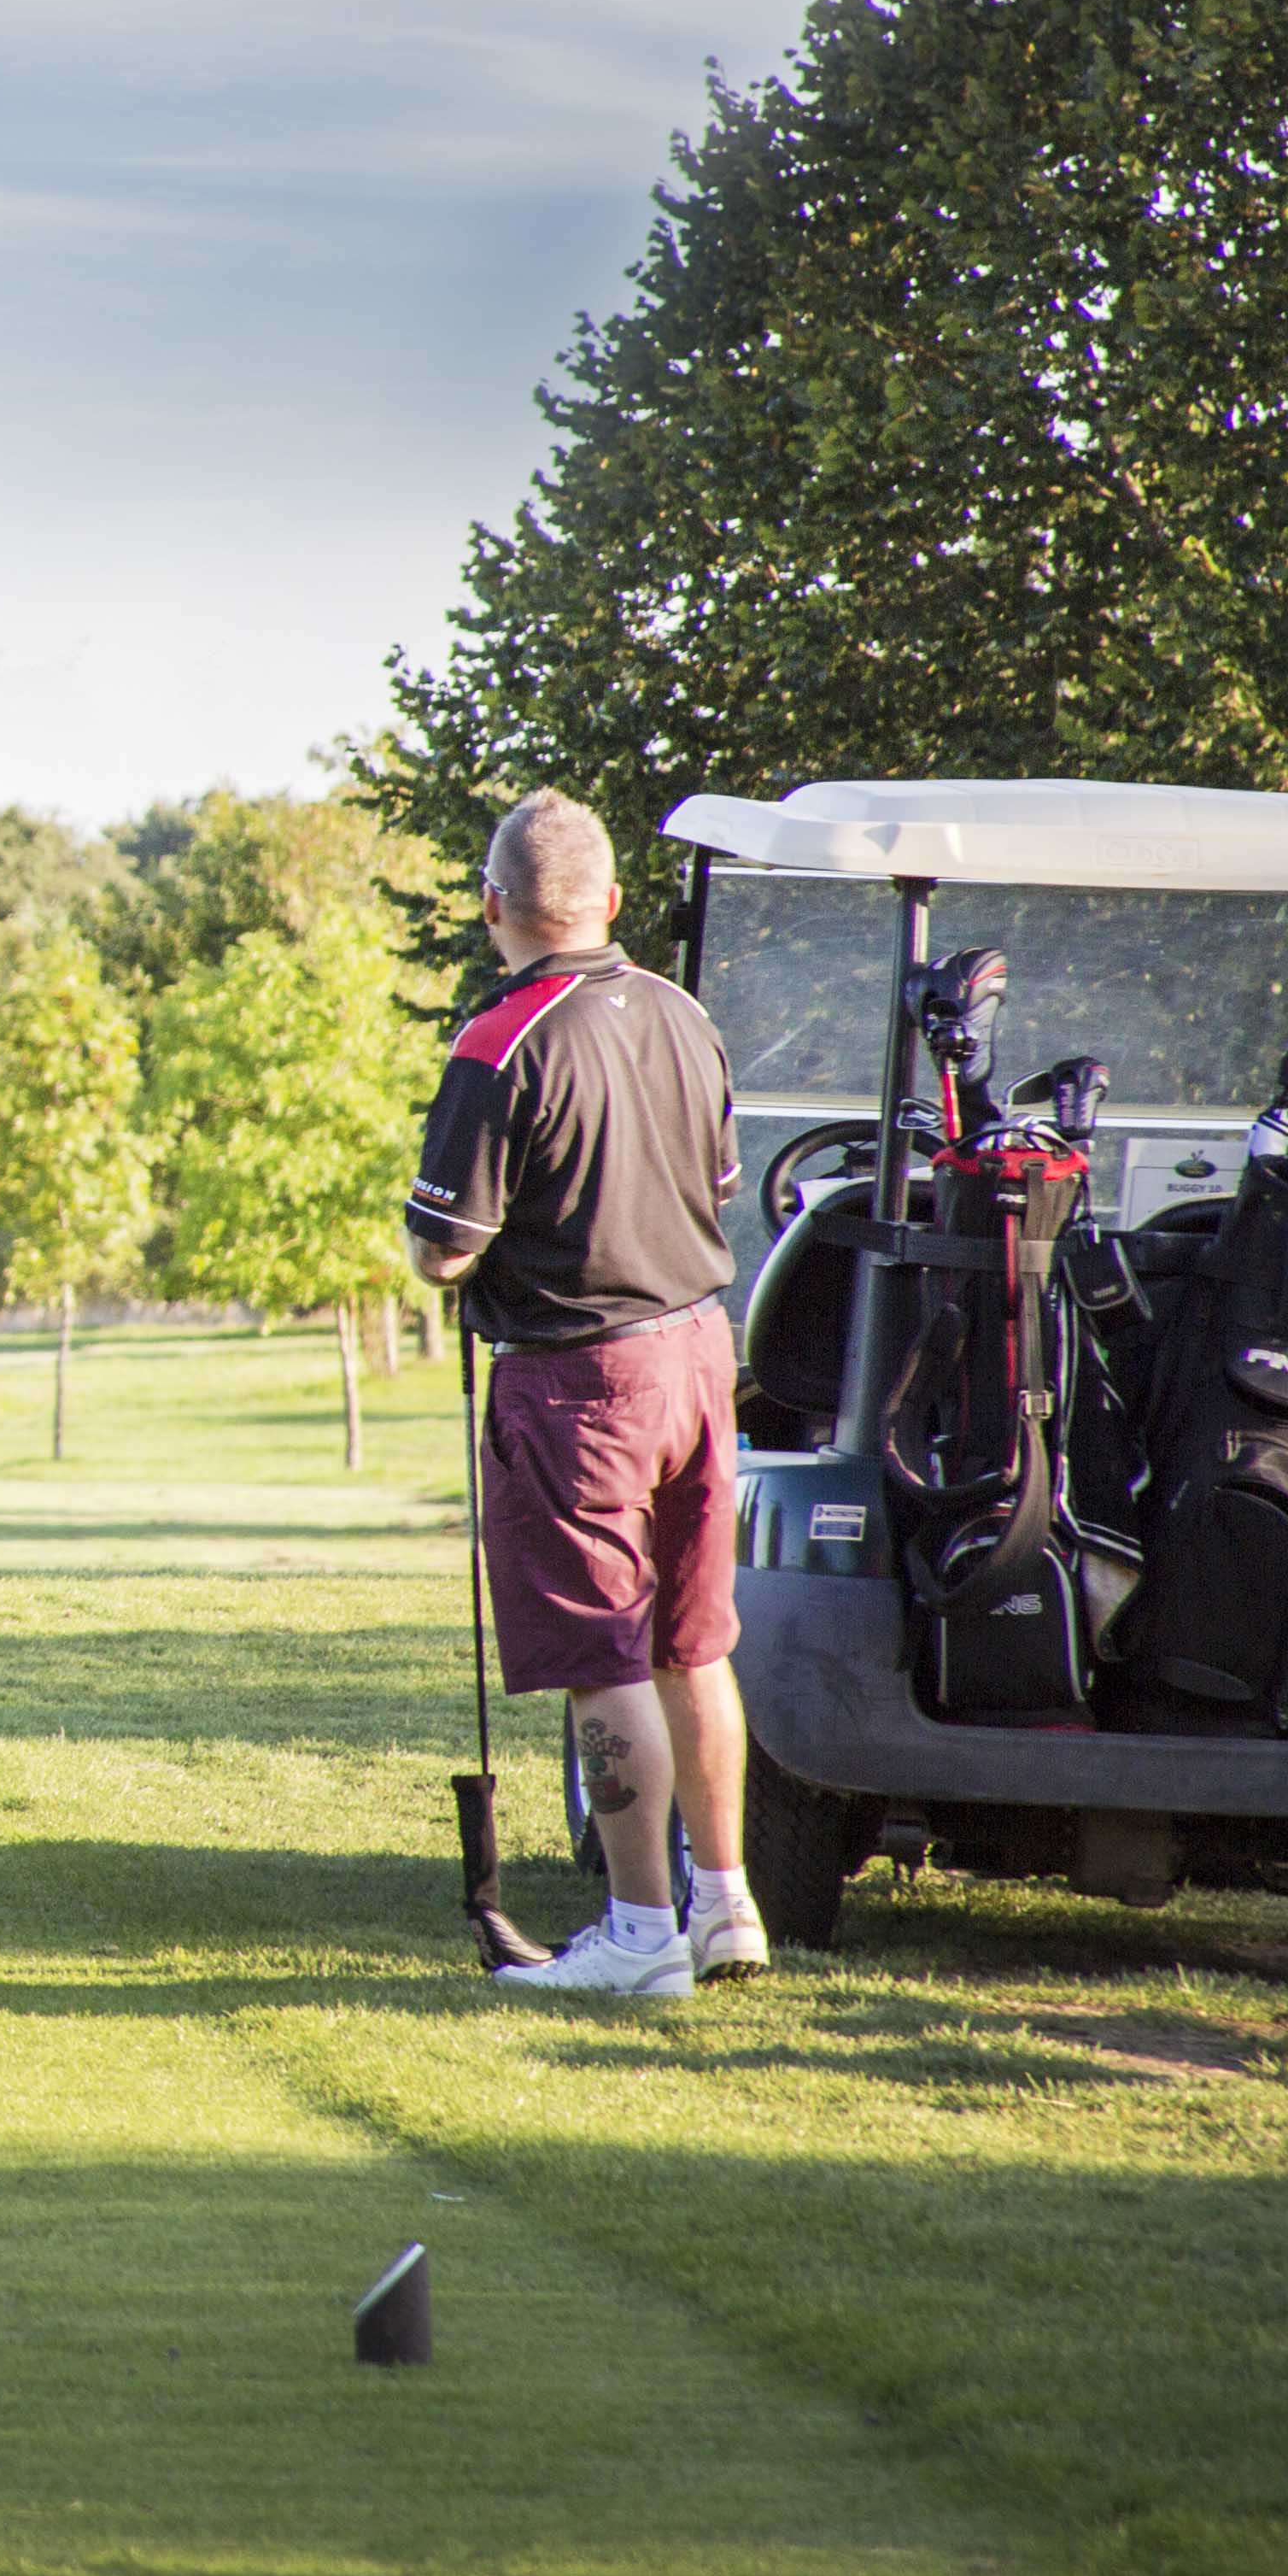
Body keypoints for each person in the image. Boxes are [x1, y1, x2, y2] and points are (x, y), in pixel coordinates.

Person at [407, 788, 761, 1996]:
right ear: (609, 903)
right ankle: (726, 1907)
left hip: (580, 1377)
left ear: (494, 908)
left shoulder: (500, 1039)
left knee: (605, 1657)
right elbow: (714, 1185)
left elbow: (445, 1245)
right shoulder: (684, 1016)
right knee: (693, 1645)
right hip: (701, 1352)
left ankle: (639, 1933)